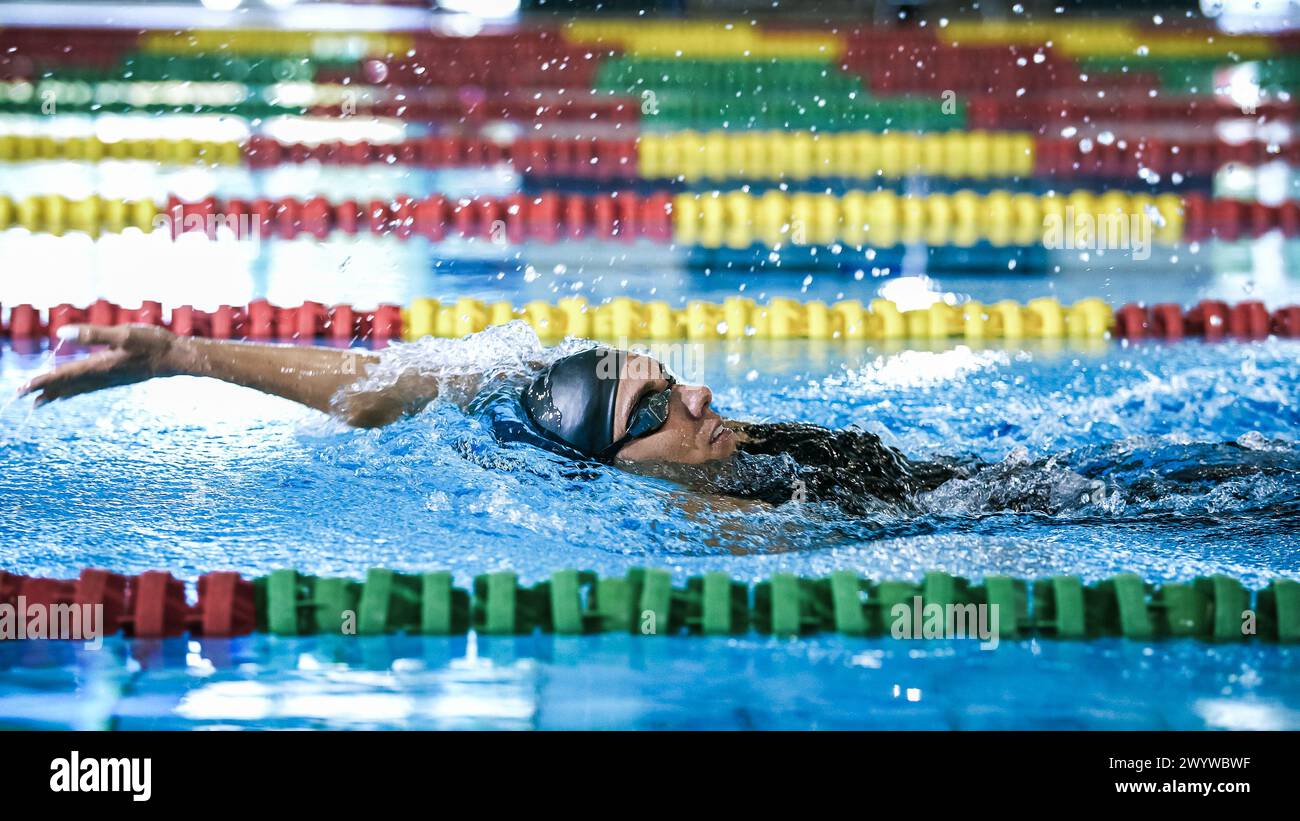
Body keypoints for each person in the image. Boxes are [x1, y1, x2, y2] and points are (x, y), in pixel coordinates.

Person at [18, 323, 1098, 515]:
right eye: (656, 404)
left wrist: (192, 354)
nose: (703, 396)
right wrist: (179, 364)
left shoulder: (756, 461)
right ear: (610, 464)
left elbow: (392, 385)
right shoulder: (709, 522)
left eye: (674, 378)